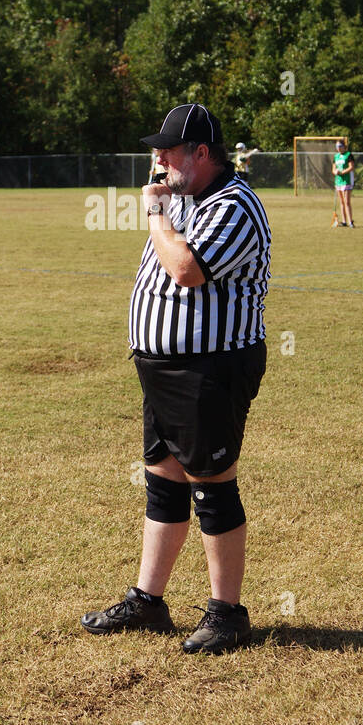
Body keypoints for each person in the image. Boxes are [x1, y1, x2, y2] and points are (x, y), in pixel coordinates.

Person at [81, 103, 271, 654]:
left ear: (202, 154)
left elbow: (186, 270)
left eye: (168, 149)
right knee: (163, 481)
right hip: (164, 370)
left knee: (213, 485)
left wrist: (156, 214)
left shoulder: (235, 206)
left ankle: (228, 613)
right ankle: (149, 600)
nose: (157, 158)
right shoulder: (183, 199)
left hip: (209, 368)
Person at [332, 137, 354, 226]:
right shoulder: (336, 156)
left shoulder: (348, 155)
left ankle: (350, 222)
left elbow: (351, 167)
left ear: (344, 146)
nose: (338, 148)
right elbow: (333, 169)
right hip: (338, 181)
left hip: (347, 180)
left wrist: (342, 172)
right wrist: (336, 172)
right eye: (337, 146)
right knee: (341, 202)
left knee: (347, 202)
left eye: (340, 146)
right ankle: (344, 221)